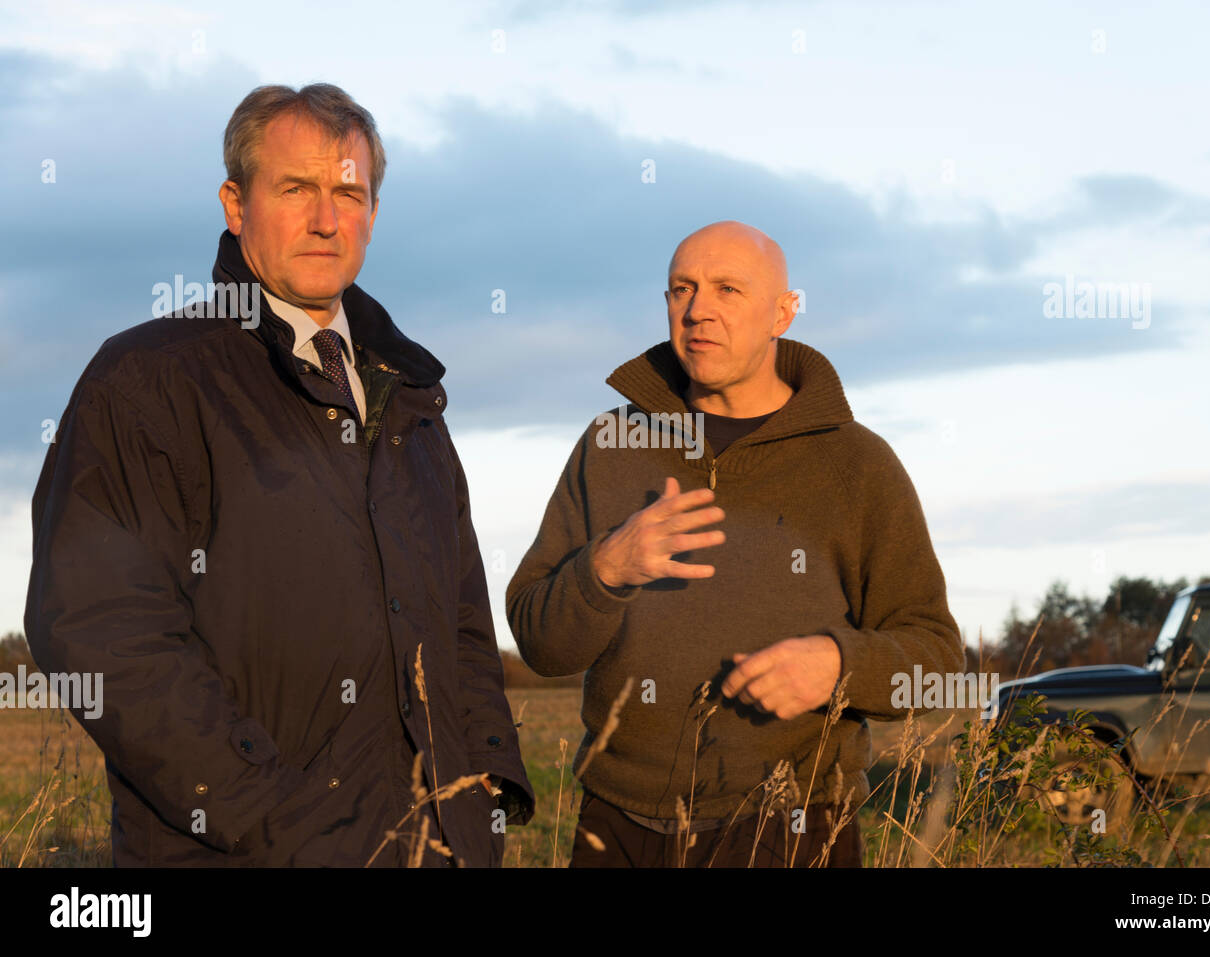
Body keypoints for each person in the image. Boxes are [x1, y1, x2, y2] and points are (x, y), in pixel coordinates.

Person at [24, 83, 533, 867]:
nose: (326, 218)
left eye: (348, 192)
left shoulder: (410, 400)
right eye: (295, 188)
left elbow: (463, 619)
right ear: (236, 203)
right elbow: (102, 633)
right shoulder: (149, 379)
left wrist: (486, 790)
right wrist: (277, 822)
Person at [507, 220, 963, 867]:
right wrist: (603, 570)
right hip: (619, 824)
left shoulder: (858, 464)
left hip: (795, 822)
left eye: (728, 289)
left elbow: (940, 662)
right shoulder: (610, 446)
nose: (698, 310)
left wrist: (839, 665)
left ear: (783, 311)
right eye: (681, 289)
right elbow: (539, 642)